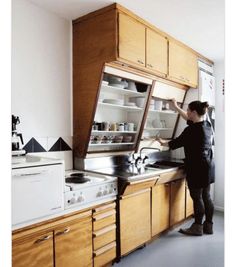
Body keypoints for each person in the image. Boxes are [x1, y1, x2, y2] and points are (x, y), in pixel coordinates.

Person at [156, 99, 215, 236]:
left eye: (188, 110)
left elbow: (174, 144)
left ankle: (197, 227)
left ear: (194, 112)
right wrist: (176, 107)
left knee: (197, 197)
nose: (187, 112)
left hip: (196, 167)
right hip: (208, 166)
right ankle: (208, 226)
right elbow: (187, 118)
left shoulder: (191, 130)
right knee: (206, 196)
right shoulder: (206, 125)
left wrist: (162, 141)